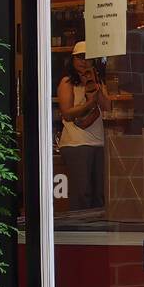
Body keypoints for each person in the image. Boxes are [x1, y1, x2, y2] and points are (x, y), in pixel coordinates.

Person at [57, 41, 109, 210]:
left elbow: (108, 107)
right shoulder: (67, 82)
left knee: (99, 194)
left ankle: (98, 234)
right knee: (82, 193)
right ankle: (80, 232)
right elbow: (66, 112)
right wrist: (88, 104)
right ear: (72, 60)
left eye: (88, 58)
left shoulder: (98, 81)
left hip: (98, 141)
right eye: (79, 57)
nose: (83, 61)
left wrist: (96, 88)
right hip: (76, 142)